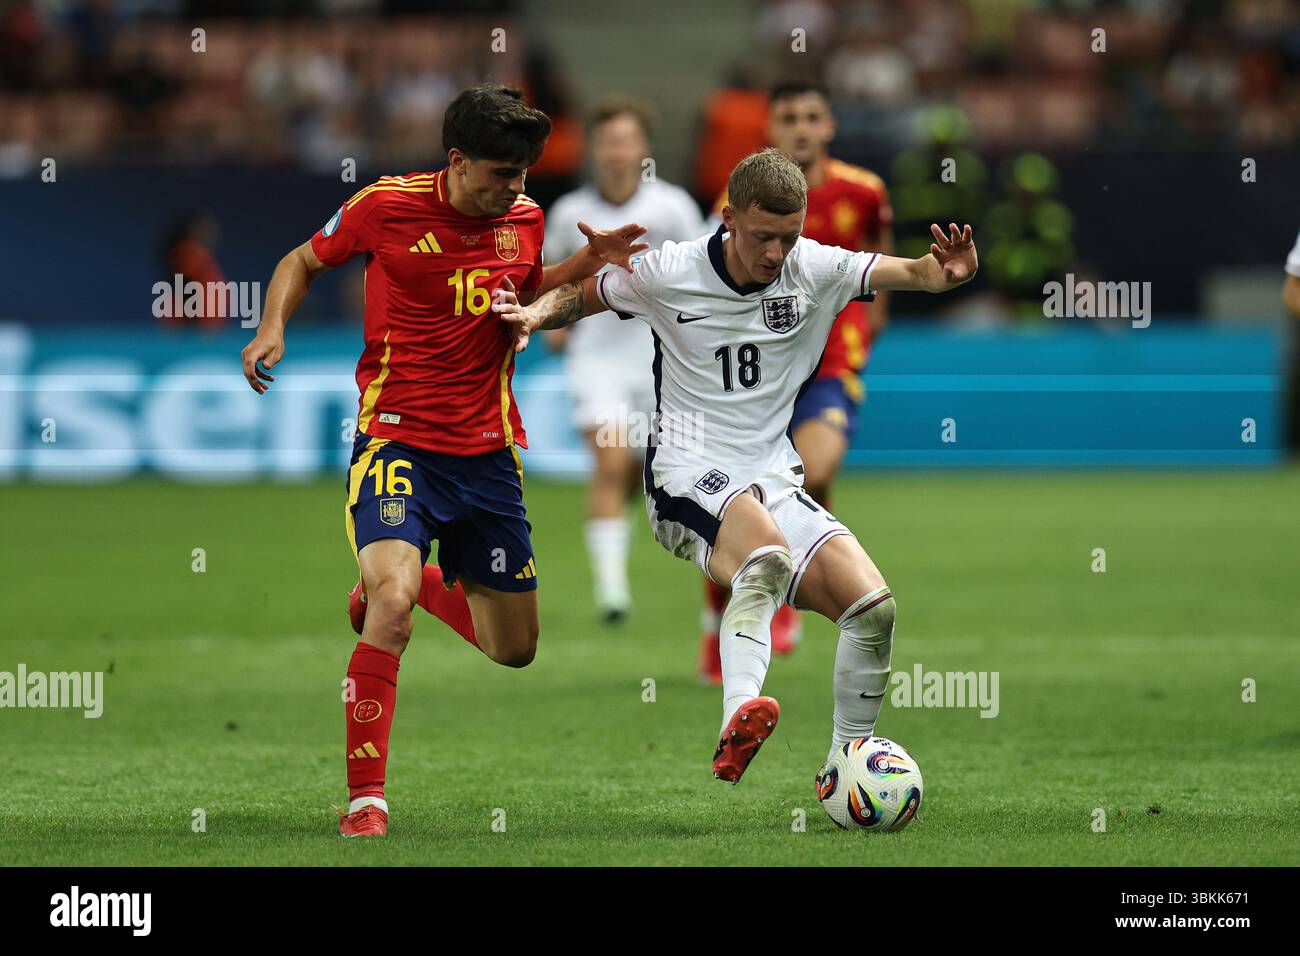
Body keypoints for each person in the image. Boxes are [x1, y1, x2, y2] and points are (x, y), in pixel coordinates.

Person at [493, 148, 977, 783]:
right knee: (766, 558)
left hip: (772, 475)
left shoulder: (817, 268)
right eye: (762, 237)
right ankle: (738, 713)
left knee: (873, 610)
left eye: (790, 236)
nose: (776, 254)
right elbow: (585, 296)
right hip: (684, 470)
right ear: (728, 218)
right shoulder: (673, 269)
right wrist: (532, 313)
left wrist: (946, 273)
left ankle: (846, 763)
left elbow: (914, 273)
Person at [239, 84, 647, 837]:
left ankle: (418, 583)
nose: (515, 189)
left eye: (523, 174)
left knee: (514, 648)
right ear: (456, 162)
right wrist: (272, 328)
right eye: (500, 173)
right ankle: (365, 801)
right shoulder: (385, 207)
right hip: (397, 442)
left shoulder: (521, 219)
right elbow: (303, 258)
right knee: (387, 610)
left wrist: (580, 265)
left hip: (488, 456)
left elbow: (521, 290)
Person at [698, 81, 895, 681]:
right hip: (757, 370)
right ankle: (719, 627)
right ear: (771, 129)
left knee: (812, 472)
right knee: (734, 499)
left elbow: (878, 261)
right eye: (789, 118)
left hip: (832, 363)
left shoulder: (864, 192)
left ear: (829, 124)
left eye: (812, 117)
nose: (802, 128)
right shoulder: (740, 198)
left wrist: (866, 334)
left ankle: (789, 589)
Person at [544, 95, 705, 622]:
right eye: (609, 140)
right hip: (597, 358)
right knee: (610, 463)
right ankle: (613, 594)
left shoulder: (674, 207)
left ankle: (638, 497)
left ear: (643, 148)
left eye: (627, 140)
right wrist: (552, 322)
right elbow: (549, 273)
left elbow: (705, 273)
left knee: (652, 470)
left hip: (663, 359)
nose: (617, 151)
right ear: (596, 148)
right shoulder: (570, 212)